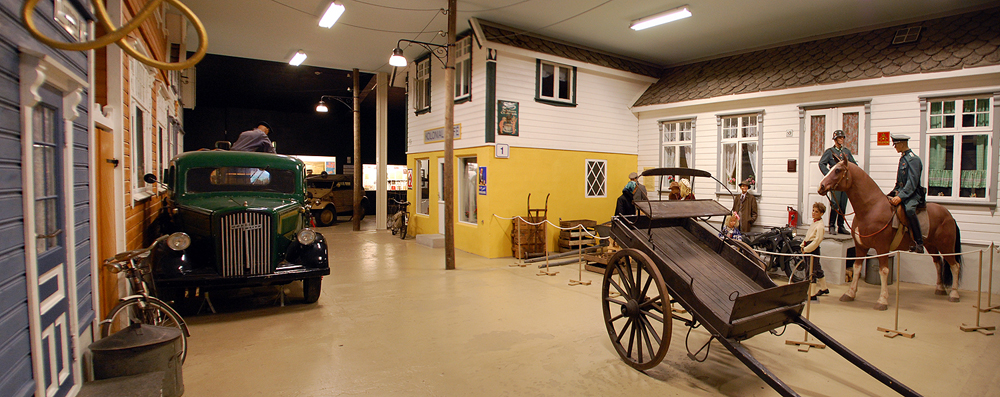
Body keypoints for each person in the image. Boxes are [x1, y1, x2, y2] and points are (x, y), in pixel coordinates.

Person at [887, 134, 926, 253]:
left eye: (895, 144)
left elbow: (912, 183)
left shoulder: (913, 159)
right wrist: (892, 193)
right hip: (902, 191)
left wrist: (900, 197)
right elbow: (900, 182)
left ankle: (919, 242)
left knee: (909, 210)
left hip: (912, 194)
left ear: (902, 144)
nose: (895, 147)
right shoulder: (903, 158)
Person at [819, 129, 857, 235]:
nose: (841, 140)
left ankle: (841, 226)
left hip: (844, 181)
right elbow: (822, 163)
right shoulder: (830, 152)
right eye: (839, 138)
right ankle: (832, 226)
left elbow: (853, 164)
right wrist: (829, 175)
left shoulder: (846, 152)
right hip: (835, 182)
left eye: (842, 138)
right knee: (835, 203)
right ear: (835, 139)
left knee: (843, 204)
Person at [801, 202, 829, 300]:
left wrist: (807, 249)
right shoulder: (814, 223)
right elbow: (808, 235)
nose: (813, 213)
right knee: (817, 268)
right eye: (813, 210)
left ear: (821, 214)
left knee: (811, 270)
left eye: (816, 212)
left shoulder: (820, 226)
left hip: (813, 249)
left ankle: (812, 294)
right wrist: (803, 244)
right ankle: (824, 288)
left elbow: (817, 240)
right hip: (808, 246)